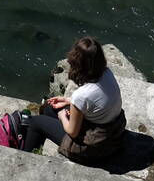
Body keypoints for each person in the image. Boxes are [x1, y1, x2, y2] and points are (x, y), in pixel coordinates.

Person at [21, 36, 127, 164]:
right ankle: (40, 138)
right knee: (49, 109)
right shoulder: (107, 73)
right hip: (112, 131)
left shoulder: (81, 95)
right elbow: (96, 99)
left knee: (34, 122)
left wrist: (62, 117)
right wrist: (67, 100)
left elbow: (73, 132)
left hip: (94, 147)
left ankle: (23, 159)